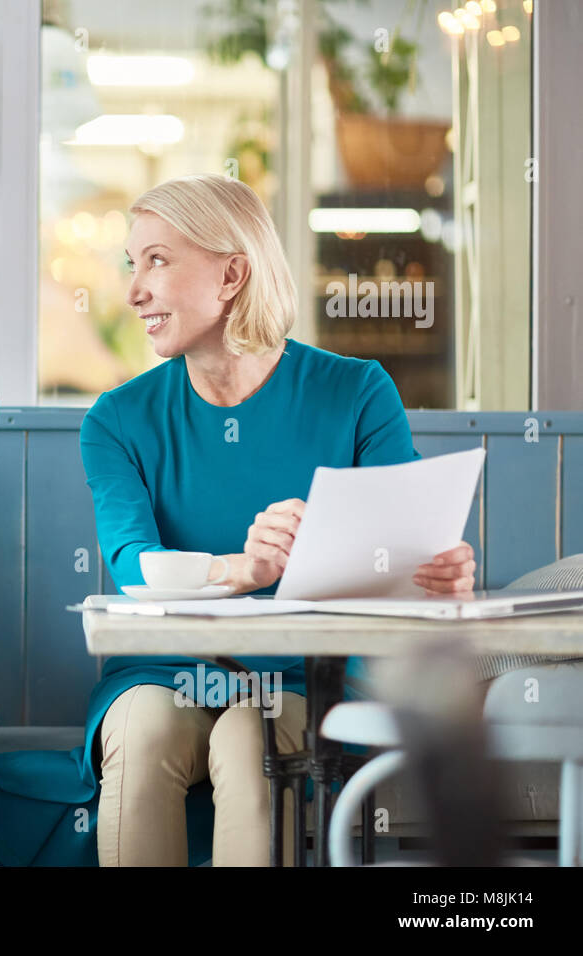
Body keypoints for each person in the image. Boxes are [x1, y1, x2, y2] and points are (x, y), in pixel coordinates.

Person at [79, 173, 475, 866]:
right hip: (158, 672)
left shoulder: (355, 393)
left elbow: (400, 552)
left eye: (157, 260)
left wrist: (433, 574)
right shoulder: (117, 419)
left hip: (303, 675)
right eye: (131, 264)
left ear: (232, 274)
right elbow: (132, 563)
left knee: (247, 737)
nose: (133, 289)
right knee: (141, 734)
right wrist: (245, 569)